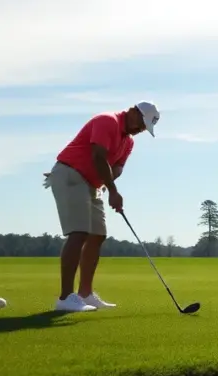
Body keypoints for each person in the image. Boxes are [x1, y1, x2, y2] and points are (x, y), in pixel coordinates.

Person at [43, 102, 160, 312]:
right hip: (71, 174)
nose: (139, 130)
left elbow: (117, 167)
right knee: (79, 232)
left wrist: (109, 184)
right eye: (140, 124)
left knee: (98, 234)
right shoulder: (107, 121)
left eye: (144, 129)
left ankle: (85, 294)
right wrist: (113, 190)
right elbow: (98, 156)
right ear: (133, 112)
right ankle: (65, 298)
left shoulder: (129, 142)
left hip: (92, 183)